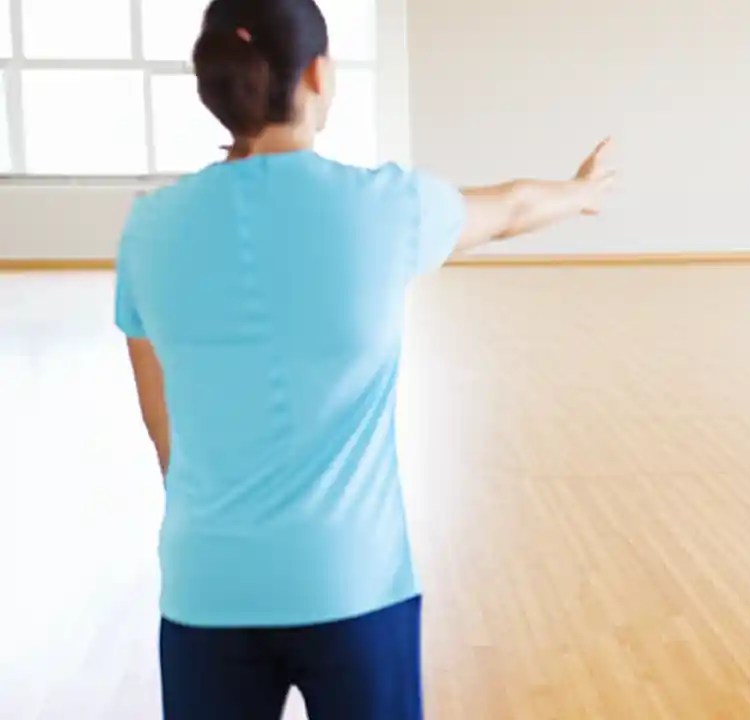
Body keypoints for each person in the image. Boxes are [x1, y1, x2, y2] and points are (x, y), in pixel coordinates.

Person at [113, 1, 614, 717]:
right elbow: (509, 208)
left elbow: (161, 429)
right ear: (319, 75)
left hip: (206, 585)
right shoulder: (384, 208)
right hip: (353, 584)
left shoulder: (149, 231)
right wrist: (582, 193)